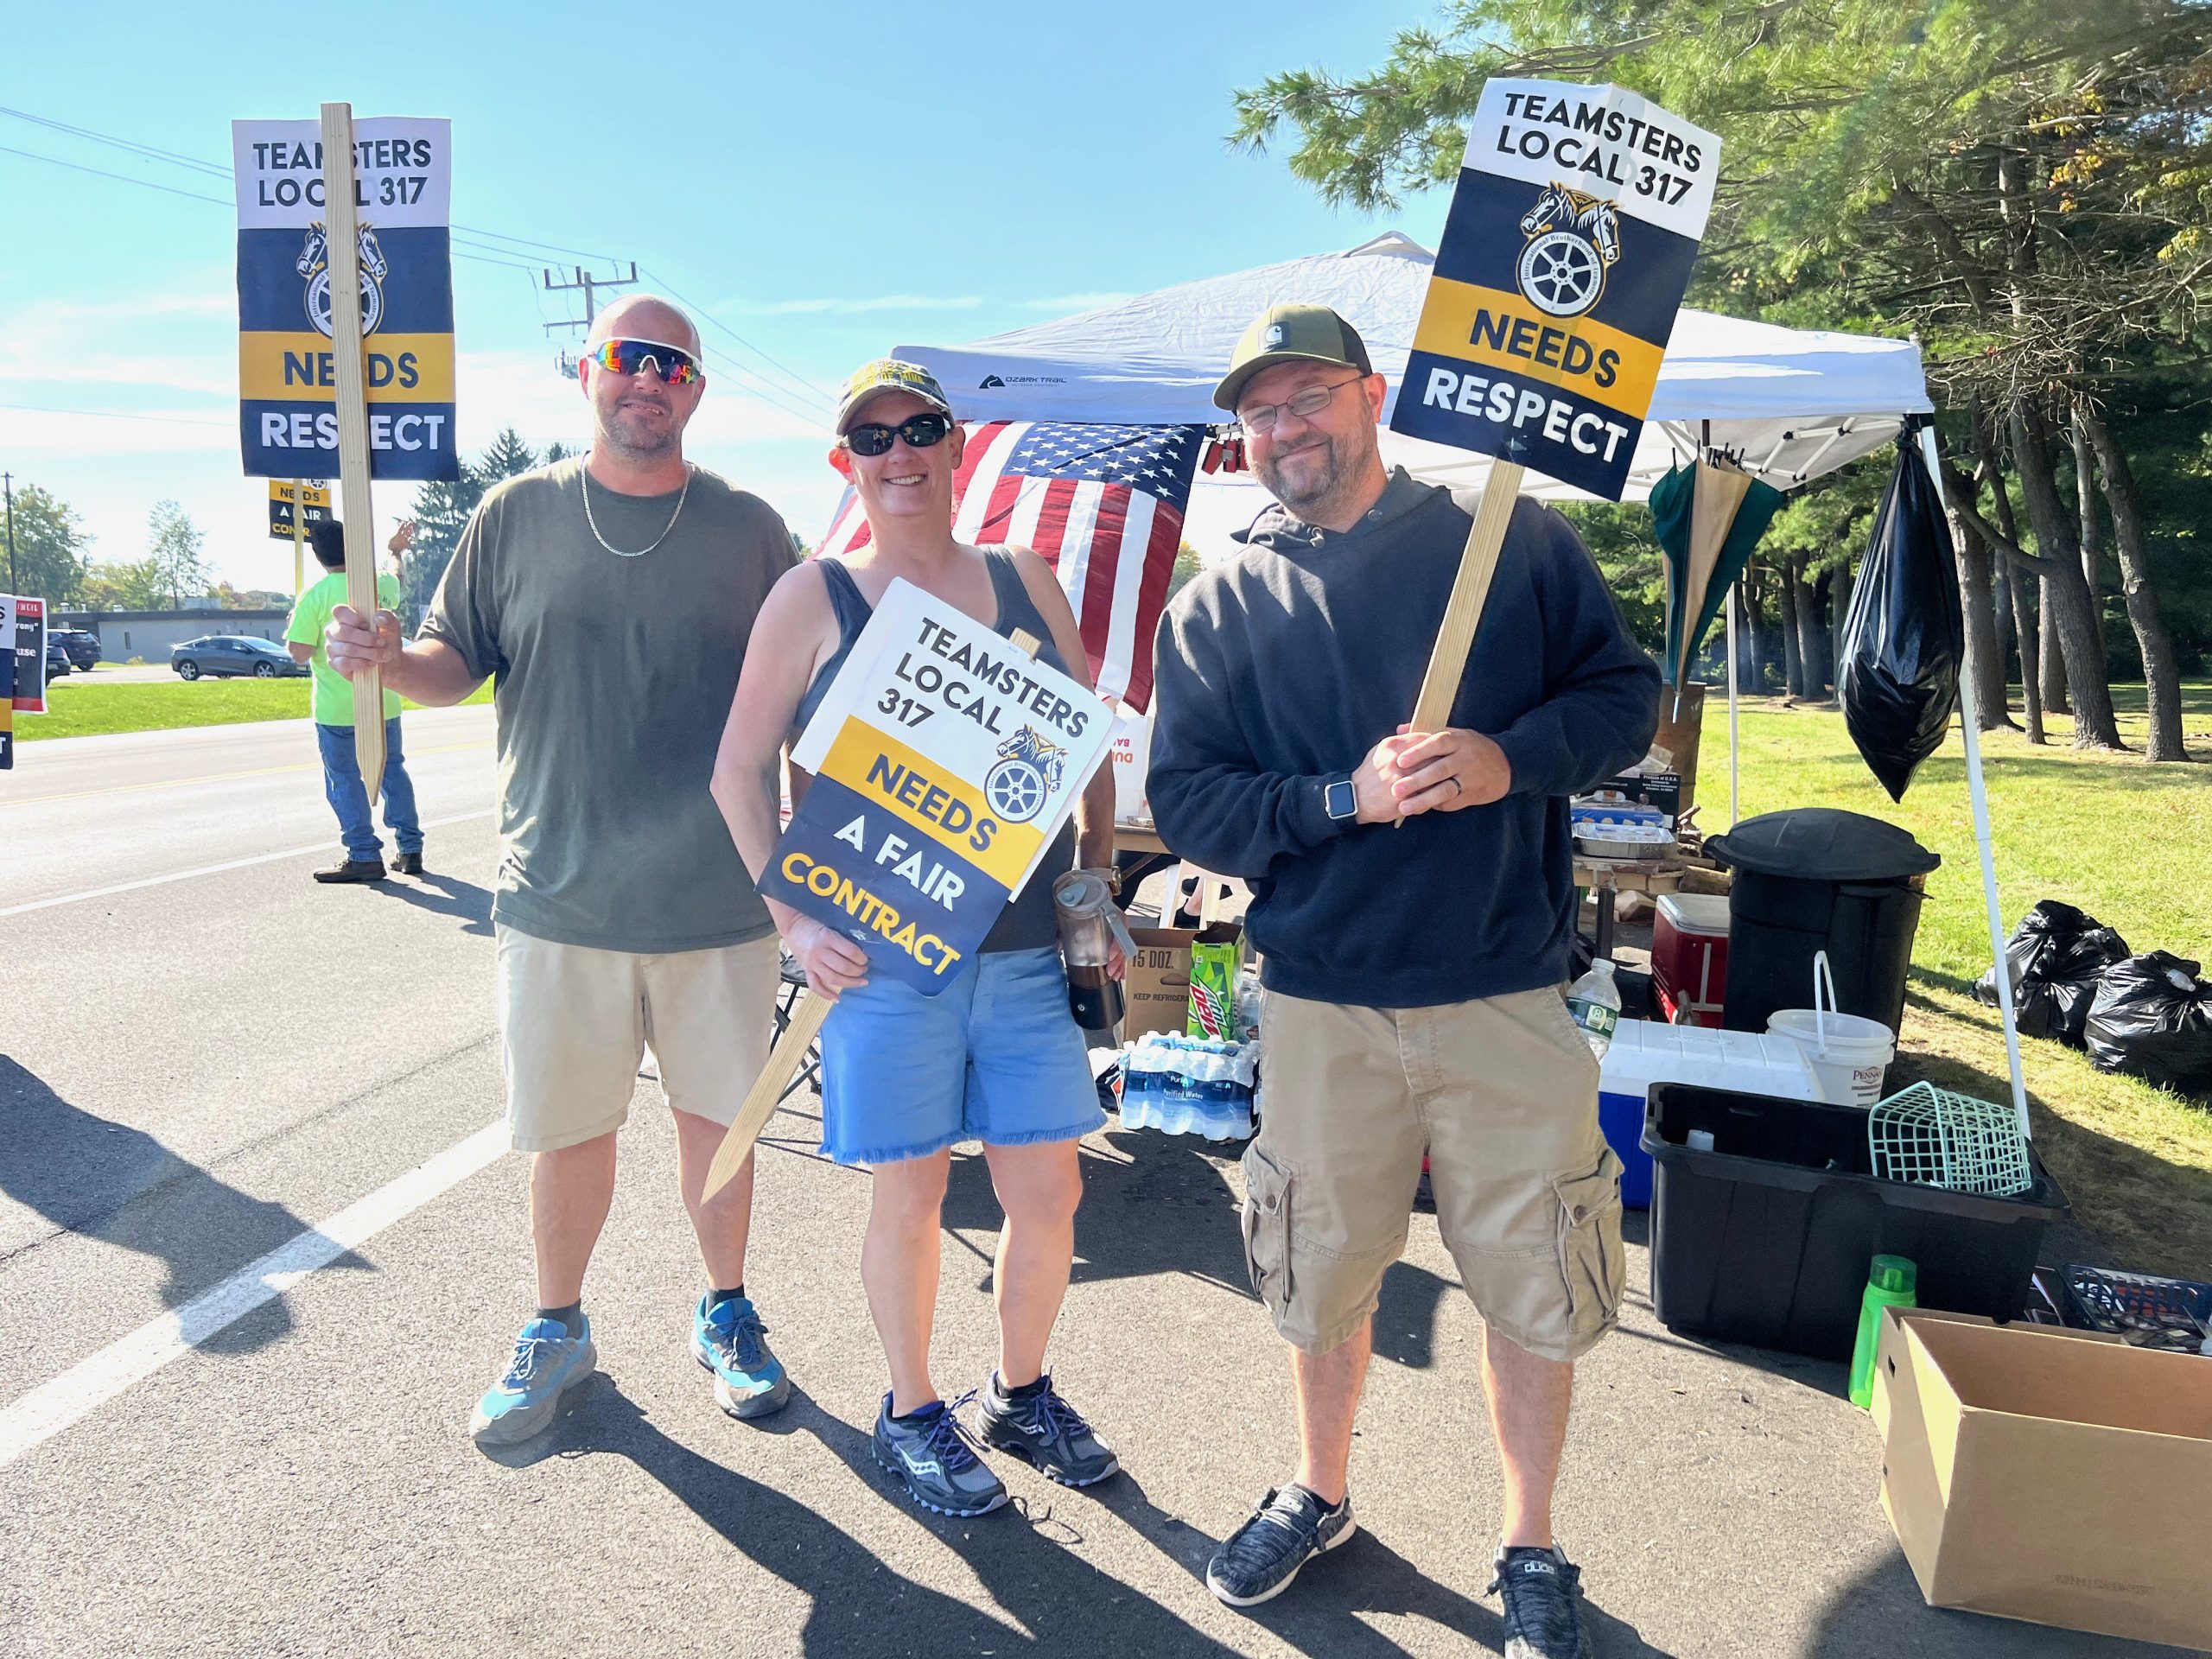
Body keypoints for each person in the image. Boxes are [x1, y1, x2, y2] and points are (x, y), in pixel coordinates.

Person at [1147, 304, 1660, 1657]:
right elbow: (1191, 803)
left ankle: (1530, 1541)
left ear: (1371, 397)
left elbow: (1623, 699)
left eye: (1307, 396)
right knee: (1321, 1271)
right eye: (1258, 412)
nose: (1283, 429)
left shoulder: (1510, 543)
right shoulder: (1219, 603)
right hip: (1319, 1003)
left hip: (1506, 992)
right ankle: (1320, 1493)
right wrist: (1337, 798)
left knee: (1537, 1278)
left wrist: (1507, 758)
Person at [325, 296, 800, 1446]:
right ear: (587, 373)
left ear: (696, 389)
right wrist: (389, 661)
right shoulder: (515, 515)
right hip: (559, 899)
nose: (648, 380)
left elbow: (806, 697)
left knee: (716, 1129)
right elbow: (453, 666)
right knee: (567, 1132)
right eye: (627, 360)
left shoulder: (752, 531)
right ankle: (557, 1328)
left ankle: (727, 1312)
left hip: (719, 900)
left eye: (672, 366)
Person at [712, 359, 1122, 1518]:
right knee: (912, 1201)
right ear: (846, 460)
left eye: (921, 430)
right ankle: (909, 1410)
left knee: (1049, 1199)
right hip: (887, 963)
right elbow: (737, 772)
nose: (900, 454)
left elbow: (1085, 747)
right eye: (872, 437)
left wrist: (1094, 874)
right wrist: (790, 916)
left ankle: (1022, 1391)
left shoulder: (1023, 579)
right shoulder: (815, 596)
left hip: (1030, 954)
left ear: (956, 447)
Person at [286, 516, 425, 882]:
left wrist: (297, 624)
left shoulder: (314, 597)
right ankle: (410, 849)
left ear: (318, 556)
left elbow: (299, 652)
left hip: (335, 711)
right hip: (384, 702)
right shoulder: (376, 584)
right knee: (393, 771)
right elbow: (398, 577)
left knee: (345, 779)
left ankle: (364, 854)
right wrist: (396, 551)